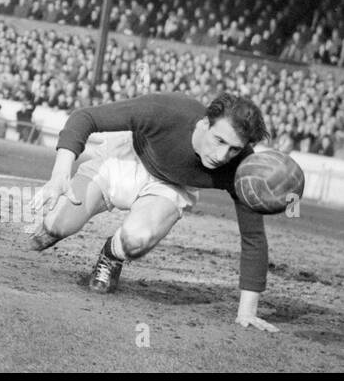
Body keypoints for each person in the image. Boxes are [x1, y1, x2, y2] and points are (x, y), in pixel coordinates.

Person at [28, 91, 278, 331]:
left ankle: (112, 256)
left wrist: (247, 311)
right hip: (126, 159)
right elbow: (85, 117)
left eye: (234, 148)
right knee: (57, 225)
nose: (223, 155)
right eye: (219, 140)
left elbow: (253, 236)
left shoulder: (242, 167)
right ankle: (53, 225)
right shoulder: (165, 111)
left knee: (136, 239)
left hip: (169, 188)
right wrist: (60, 174)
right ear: (203, 124)